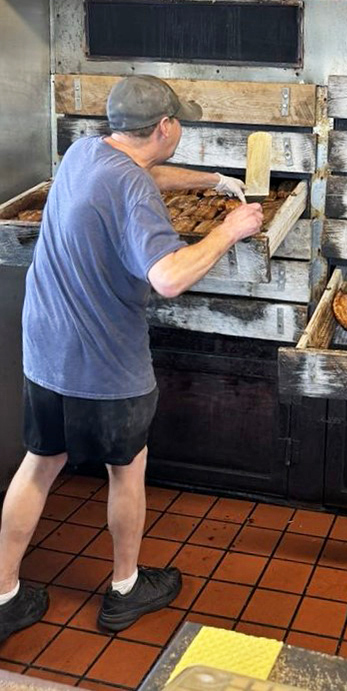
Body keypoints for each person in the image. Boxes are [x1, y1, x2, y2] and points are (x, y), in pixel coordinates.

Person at [0, 75, 263, 642]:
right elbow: (168, 278)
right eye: (180, 122)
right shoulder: (133, 191)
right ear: (165, 127)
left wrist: (216, 179)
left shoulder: (84, 153)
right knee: (127, 470)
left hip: (45, 346)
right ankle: (124, 591)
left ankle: (4, 599)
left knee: (40, 462)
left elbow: (144, 172)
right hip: (105, 362)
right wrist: (229, 229)